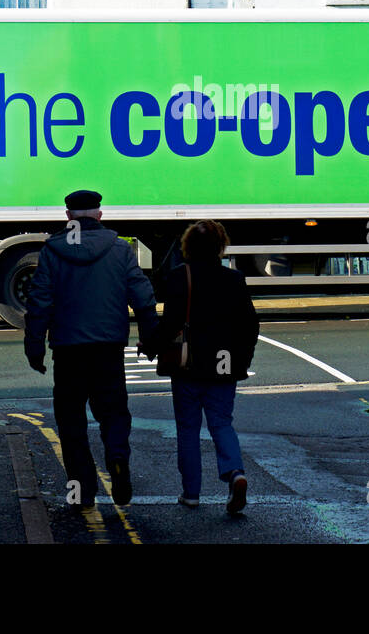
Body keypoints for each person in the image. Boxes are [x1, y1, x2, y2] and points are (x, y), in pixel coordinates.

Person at [24, 190, 159, 511]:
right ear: (99, 215)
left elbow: (39, 302)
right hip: (108, 349)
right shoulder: (119, 249)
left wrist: (34, 348)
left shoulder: (52, 251)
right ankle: (116, 458)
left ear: (68, 216)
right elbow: (143, 297)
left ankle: (83, 490)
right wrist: (151, 339)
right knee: (113, 413)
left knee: (71, 422)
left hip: (68, 352)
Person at [146, 220, 259, 513]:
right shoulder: (234, 279)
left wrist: (150, 347)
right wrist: (241, 362)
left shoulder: (178, 277)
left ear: (187, 246)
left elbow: (170, 325)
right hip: (224, 365)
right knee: (222, 423)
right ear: (220, 246)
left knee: (188, 428)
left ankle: (191, 493)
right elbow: (250, 326)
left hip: (188, 366)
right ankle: (235, 473)